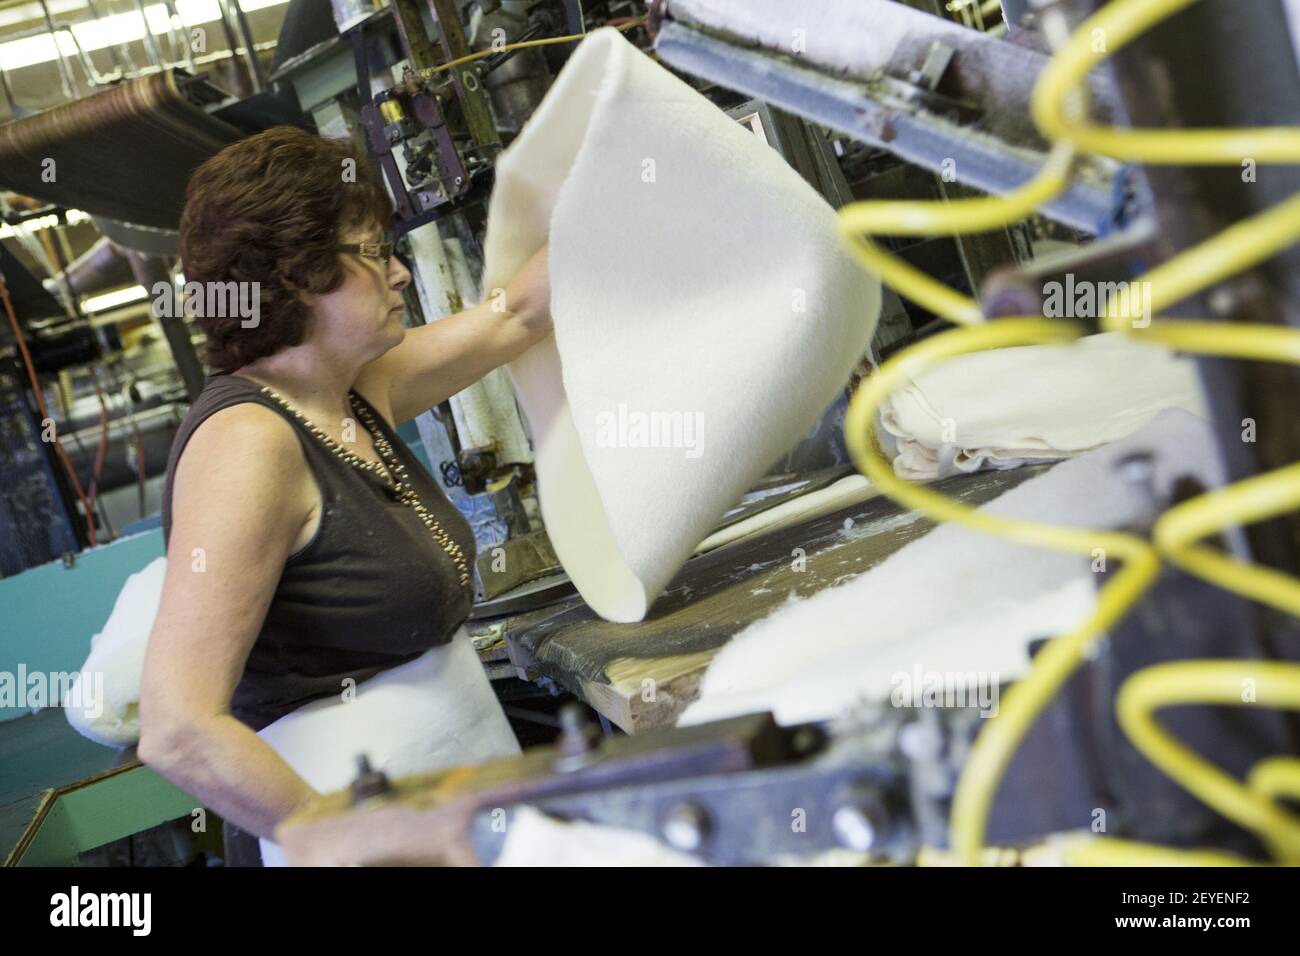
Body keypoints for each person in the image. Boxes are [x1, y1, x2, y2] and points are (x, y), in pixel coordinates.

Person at [138, 126, 552, 865]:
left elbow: (516, 313)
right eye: (370, 250)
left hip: (461, 809)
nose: (398, 273)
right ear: (295, 274)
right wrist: (348, 833)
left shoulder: (350, 395)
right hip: (370, 842)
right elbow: (177, 727)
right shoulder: (248, 444)